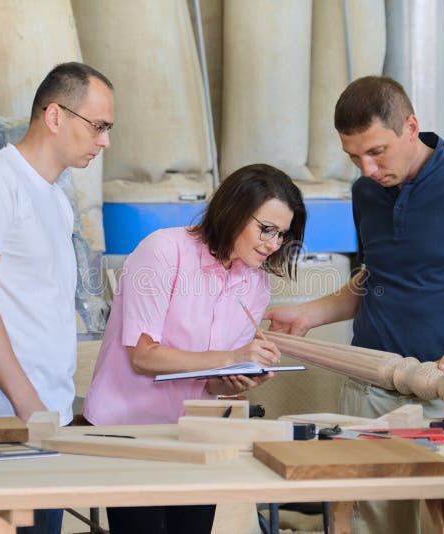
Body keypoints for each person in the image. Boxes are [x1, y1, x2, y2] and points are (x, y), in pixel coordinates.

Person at [265, 76, 444, 533]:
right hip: (367, 391)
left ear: (411, 127)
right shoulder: (365, 193)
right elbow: (377, 277)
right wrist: (310, 313)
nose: (367, 168)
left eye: (376, 151)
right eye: (353, 156)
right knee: (372, 524)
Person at [83, 163, 307, 534]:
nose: (273, 244)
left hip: (193, 432)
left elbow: (209, 382)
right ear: (234, 211)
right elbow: (143, 357)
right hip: (128, 428)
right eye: (266, 229)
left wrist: (234, 379)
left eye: (282, 235)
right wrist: (233, 358)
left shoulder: (255, 284)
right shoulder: (163, 251)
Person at [0, 62, 114, 534]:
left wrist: (52, 412)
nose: (105, 142)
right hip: (1, 424)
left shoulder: (56, 196)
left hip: (42, 422)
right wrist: (26, 402)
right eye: (98, 127)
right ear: (56, 116)